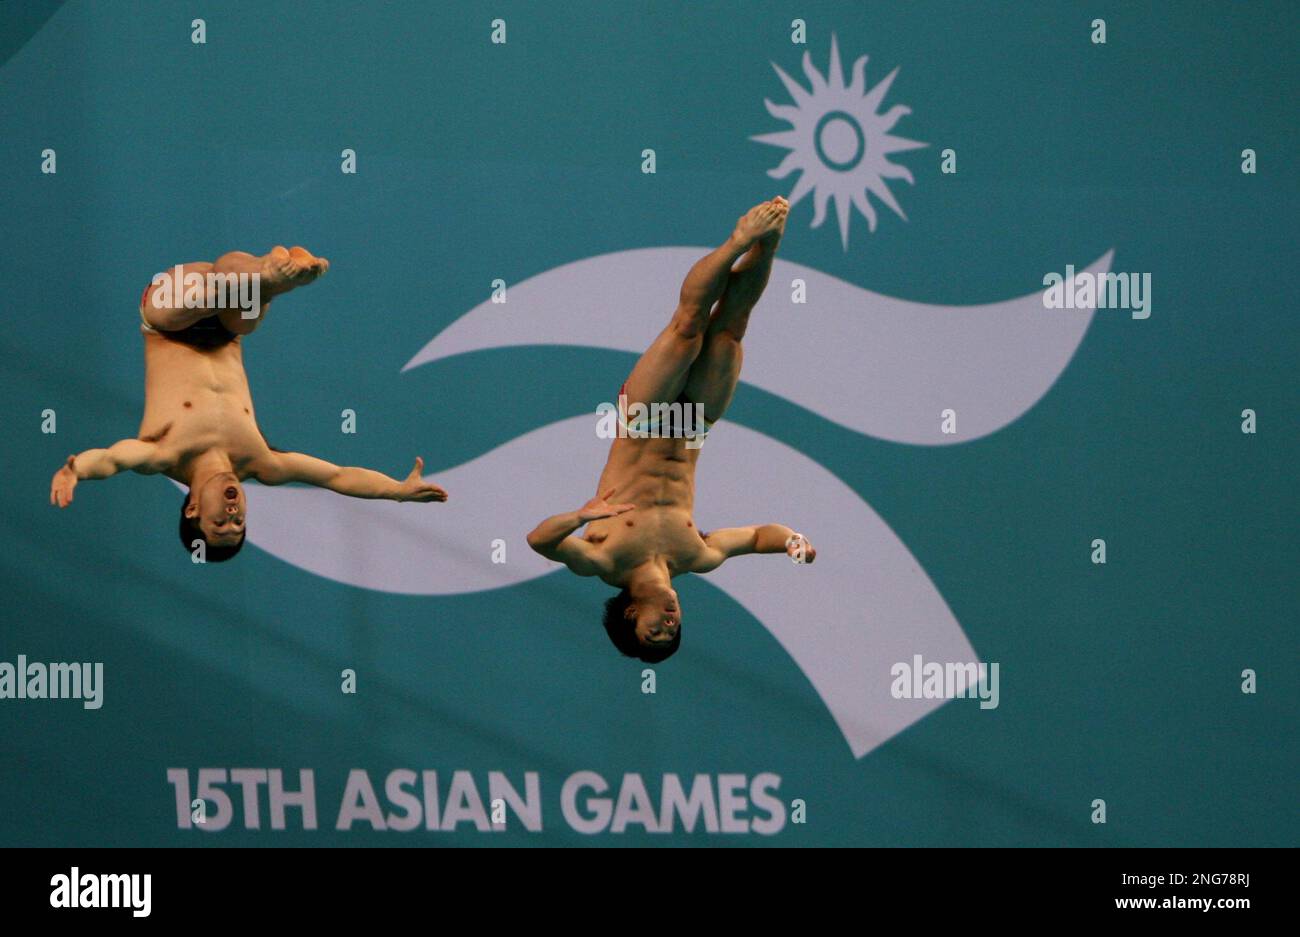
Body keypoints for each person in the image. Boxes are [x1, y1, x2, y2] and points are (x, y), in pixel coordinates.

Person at [527, 199, 816, 662]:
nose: (670, 623)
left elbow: (540, 541)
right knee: (730, 332)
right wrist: (793, 542)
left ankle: (739, 241)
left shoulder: (604, 561)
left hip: (642, 421)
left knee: (687, 328)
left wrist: (581, 517)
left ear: (629, 617)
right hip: (692, 425)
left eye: (655, 632)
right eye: (674, 631)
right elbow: (759, 536)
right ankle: (771, 244)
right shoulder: (696, 557)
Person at [49, 246, 447, 561]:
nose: (233, 516)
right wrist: (395, 491)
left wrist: (77, 472)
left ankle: (269, 279)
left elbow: (113, 460)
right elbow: (337, 477)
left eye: (220, 524)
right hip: (228, 324)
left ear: (192, 511)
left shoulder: (163, 454)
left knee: (221, 291)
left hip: (170, 309)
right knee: (243, 307)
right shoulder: (262, 462)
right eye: (239, 525)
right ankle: (269, 277)